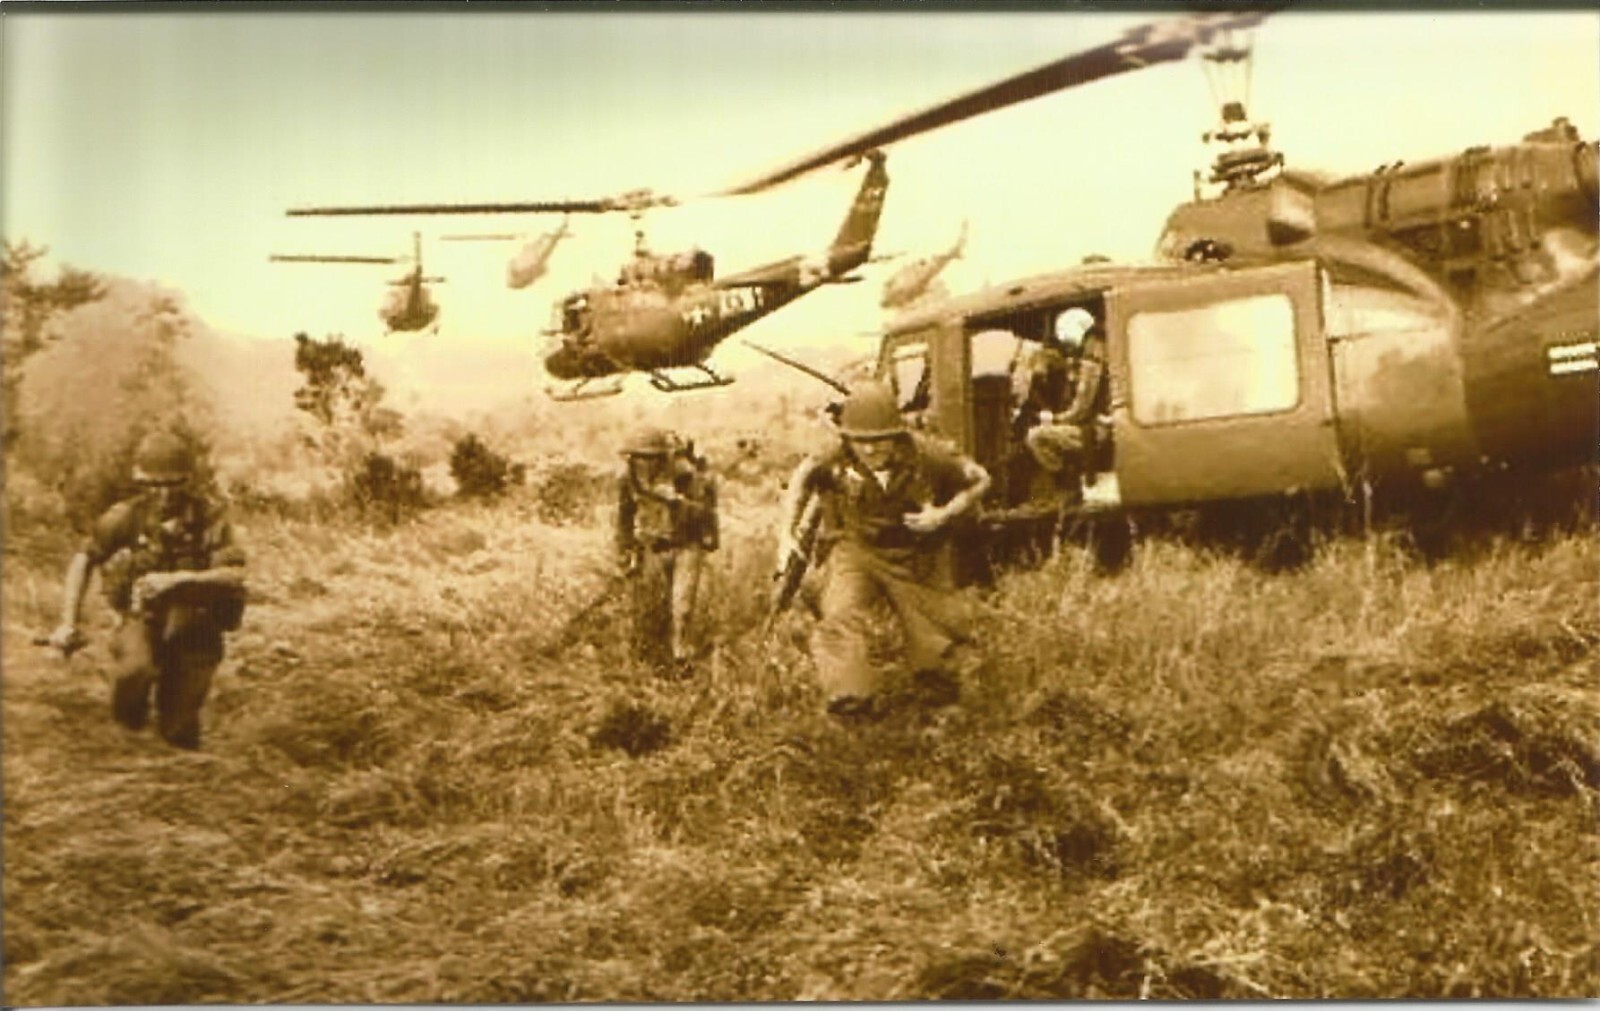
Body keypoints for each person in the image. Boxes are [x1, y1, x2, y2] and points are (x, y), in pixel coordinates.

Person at [777, 380, 991, 721]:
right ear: (848, 438)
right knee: (840, 613)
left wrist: (943, 515)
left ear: (897, 434)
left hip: (916, 551)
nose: (871, 451)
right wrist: (786, 534)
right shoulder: (835, 454)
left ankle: (939, 701)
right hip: (856, 548)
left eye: (880, 440)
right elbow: (803, 477)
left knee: (932, 629)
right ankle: (851, 702)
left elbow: (980, 480)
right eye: (861, 442)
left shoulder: (928, 454)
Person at [46, 430, 247, 750]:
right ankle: (128, 739)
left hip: (197, 622)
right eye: (153, 484)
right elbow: (84, 560)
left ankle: (177, 771)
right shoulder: (127, 515)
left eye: (173, 484)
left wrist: (181, 580)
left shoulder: (210, 516)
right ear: (140, 481)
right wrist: (68, 621)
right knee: (133, 673)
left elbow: (235, 574)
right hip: (142, 615)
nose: (164, 494)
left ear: (188, 480)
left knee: (179, 728)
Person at [615, 427, 719, 671]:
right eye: (639, 457)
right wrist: (625, 551)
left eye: (651, 458)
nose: (645, 463)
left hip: (686, 546)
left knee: (681, 607)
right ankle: (650, 661)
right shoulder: (627, 479)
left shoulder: (687, 475)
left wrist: (675, 501)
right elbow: (624, 517)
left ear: (662, 457)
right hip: (651, 546)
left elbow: (706, 513)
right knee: (649, 606)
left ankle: (681, 659)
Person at [1023, 306, 1111, 490]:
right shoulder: (1092, 359)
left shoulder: (1091, 363)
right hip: (1095, 427)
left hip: (1094, 431)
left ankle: (1066, 483)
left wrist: (1053, 419)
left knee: (1035, 437)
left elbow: (1081, 410)